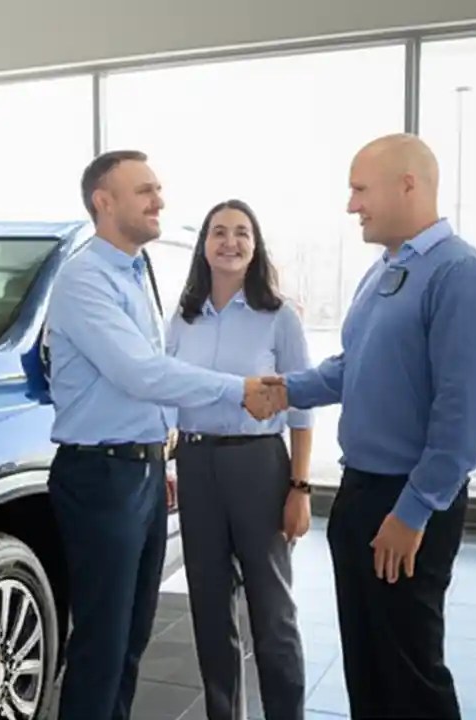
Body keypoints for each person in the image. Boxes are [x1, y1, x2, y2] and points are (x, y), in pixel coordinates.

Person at [264, 133, 476, 719]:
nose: (352, 205)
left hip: (407, 503)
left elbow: (464, 411)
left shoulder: (462, 275)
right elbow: (354, 368)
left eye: (360, 189)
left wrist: (415, 509)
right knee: (368, 664)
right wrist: (281, 390)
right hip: (361, 493)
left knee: (409, 671)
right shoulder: (383, 273)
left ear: (409, 184)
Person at [44, 149, 281, 720]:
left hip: (140, 472)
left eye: (158, 189)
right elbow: (140, 373)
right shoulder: (85, 280)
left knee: (131, 638)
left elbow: (148, 374)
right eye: (145, 191)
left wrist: (159, 455)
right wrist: (237, 389)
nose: (160, 201)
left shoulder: (133, 273)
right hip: (101, 476)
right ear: (105, 201)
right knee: (102, 642)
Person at [166, 199, 313, 720]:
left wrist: (299, 489)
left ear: (256, 245)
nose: (230, 242)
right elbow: (166, 391)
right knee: (209, 610)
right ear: (203, 245)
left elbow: (301, 409)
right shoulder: (182, 320)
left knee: (272, 614)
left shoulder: (279, 317)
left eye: (242, 233)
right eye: (219, 232)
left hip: (259, 468)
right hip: (196, 466)